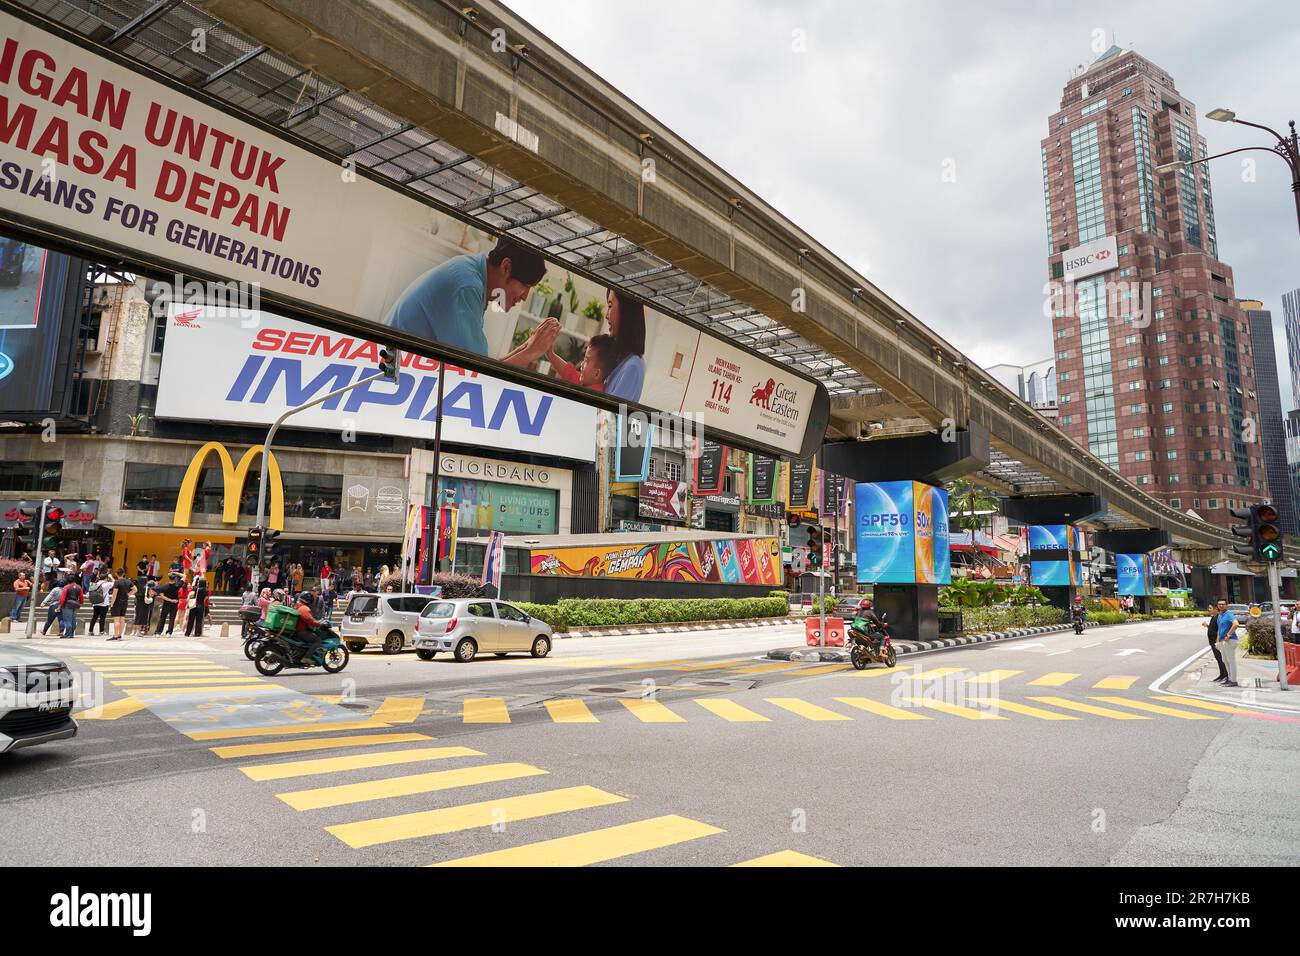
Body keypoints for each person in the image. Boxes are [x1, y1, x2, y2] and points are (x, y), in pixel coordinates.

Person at [384, 236, 559, 364]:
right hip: (390, 371)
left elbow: (481, 364)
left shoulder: (471, 274)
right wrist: (531, 352)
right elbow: (476, 373)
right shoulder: (467, 286)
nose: (525, 296)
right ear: (505, 267)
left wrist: (526, 348)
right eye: (525, 285)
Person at [600, 290, 646, 402]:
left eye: (610, 306)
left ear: (626, 310)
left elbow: (609, 417)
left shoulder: (633, 366)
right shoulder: (623, 360)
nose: (606, 315)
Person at [545, 333, 620, 392]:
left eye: (587, 360)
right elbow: (569, 373)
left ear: (597, 373)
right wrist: (550, 354)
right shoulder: (589, 384)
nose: (582, 364)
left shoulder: (589, 396)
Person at [294, 590, 327, 664]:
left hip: (297, 630)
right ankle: (306, 657)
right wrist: (320, 624)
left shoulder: (297, 605)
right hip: (301, 631)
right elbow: (310, 621)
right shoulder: (304, 608)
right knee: (317, 640)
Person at [1215, 599, 1240, 687]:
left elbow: (1236, 624)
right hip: (1223, 641)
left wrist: (1229, 634)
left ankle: (1233, 680)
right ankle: (1229, 679)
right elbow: (1219, 629)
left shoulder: (1229, 614)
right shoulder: (1220, 615)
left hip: (1230, 640)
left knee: (1231, 661)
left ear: (1226, 605)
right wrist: (1217, 641)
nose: (1221, 606)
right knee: (1225, 661)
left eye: (1223, 604)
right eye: (1219, 604)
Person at [1207, 601, 1229, 684]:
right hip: (1212, 641)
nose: (1209, 610)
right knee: (1218, 659)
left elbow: (1220, 630)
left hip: (1217, 642)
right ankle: (1222, 674)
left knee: (1221, 659)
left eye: (1210, 608)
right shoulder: (1214, 617)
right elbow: (1214, 629)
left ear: (1216, 609)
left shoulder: (1218, 617)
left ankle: (1226, 675)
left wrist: (1217, 641)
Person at [108, 569, 133, 641]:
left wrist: (112, 603)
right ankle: (119, 635)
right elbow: (135, 589)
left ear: (116, 574)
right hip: (125, 602)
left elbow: (114, 594)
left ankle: (115, 635)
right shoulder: (128, 581)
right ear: (124, 573)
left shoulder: (117, 582)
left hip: (117, 602)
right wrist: (128, 595)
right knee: (122, 619)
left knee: (116, 620)